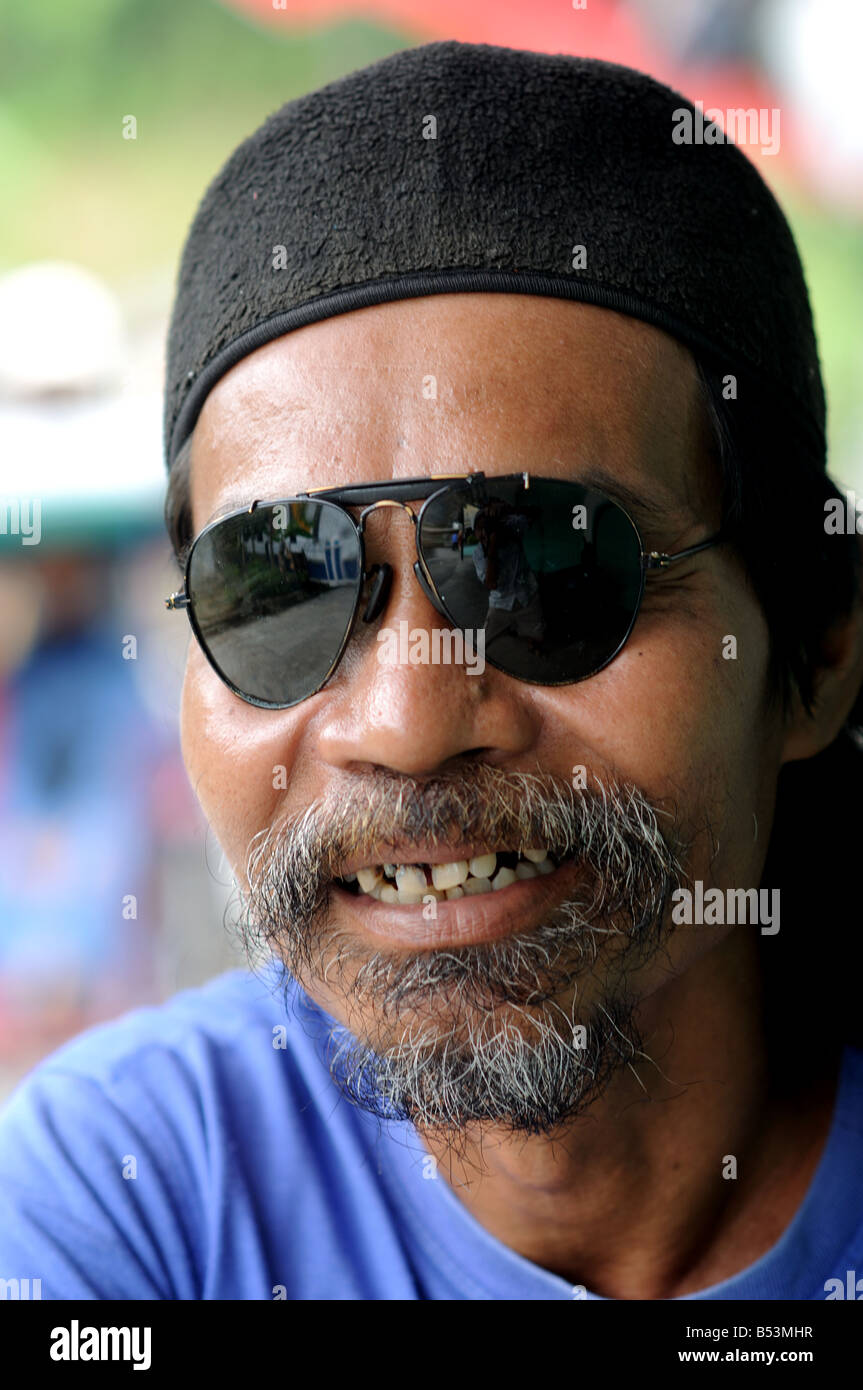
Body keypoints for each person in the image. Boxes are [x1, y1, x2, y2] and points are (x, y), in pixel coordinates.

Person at [1, 40, 862, 1302]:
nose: (404, 721)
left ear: (818, 645)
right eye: (281, 588)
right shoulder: (125, 1200)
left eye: (544, 572)